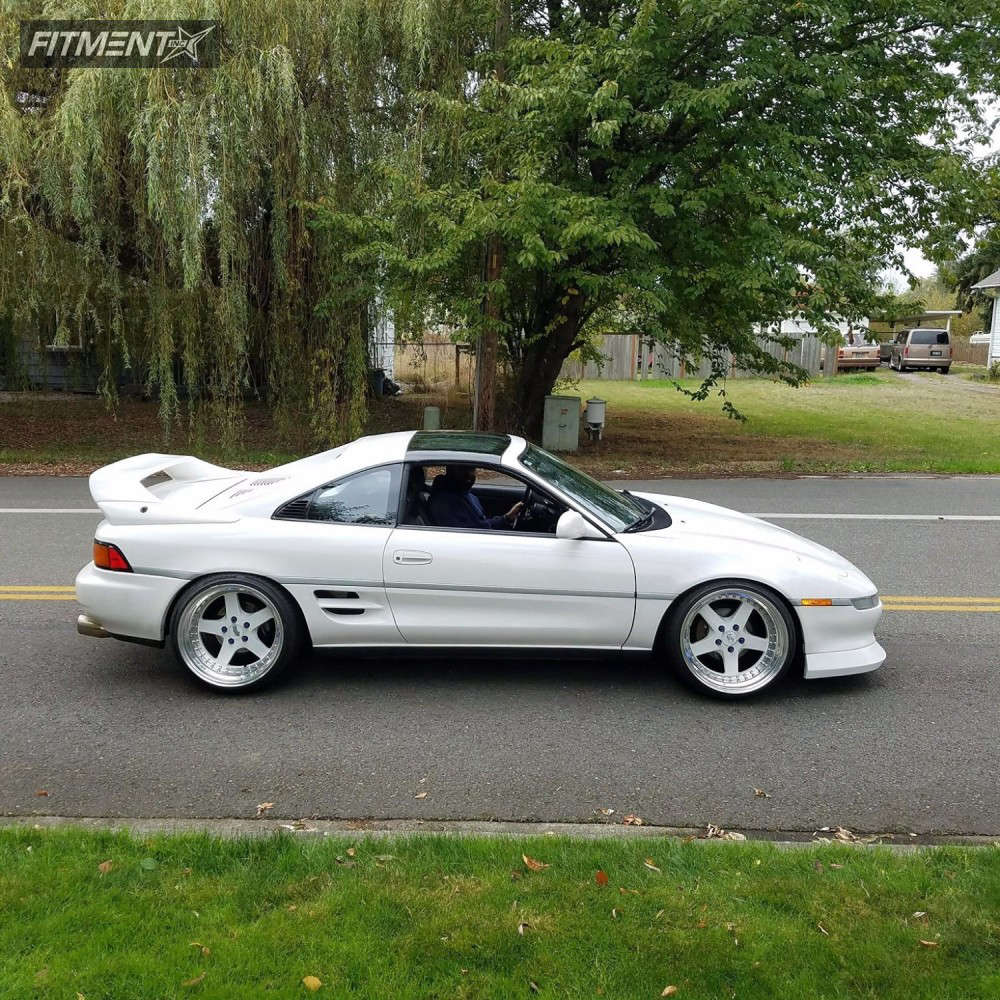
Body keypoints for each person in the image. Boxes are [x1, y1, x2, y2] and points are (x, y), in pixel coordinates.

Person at [428, 466, 523, 529]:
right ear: (450, 472)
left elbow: (480, 522)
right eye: (462, 470)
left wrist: (507, 517)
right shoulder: (443, 504)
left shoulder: (463, 494)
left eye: (472, 469)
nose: (470, 475)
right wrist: (505, 519)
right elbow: (473, 530)